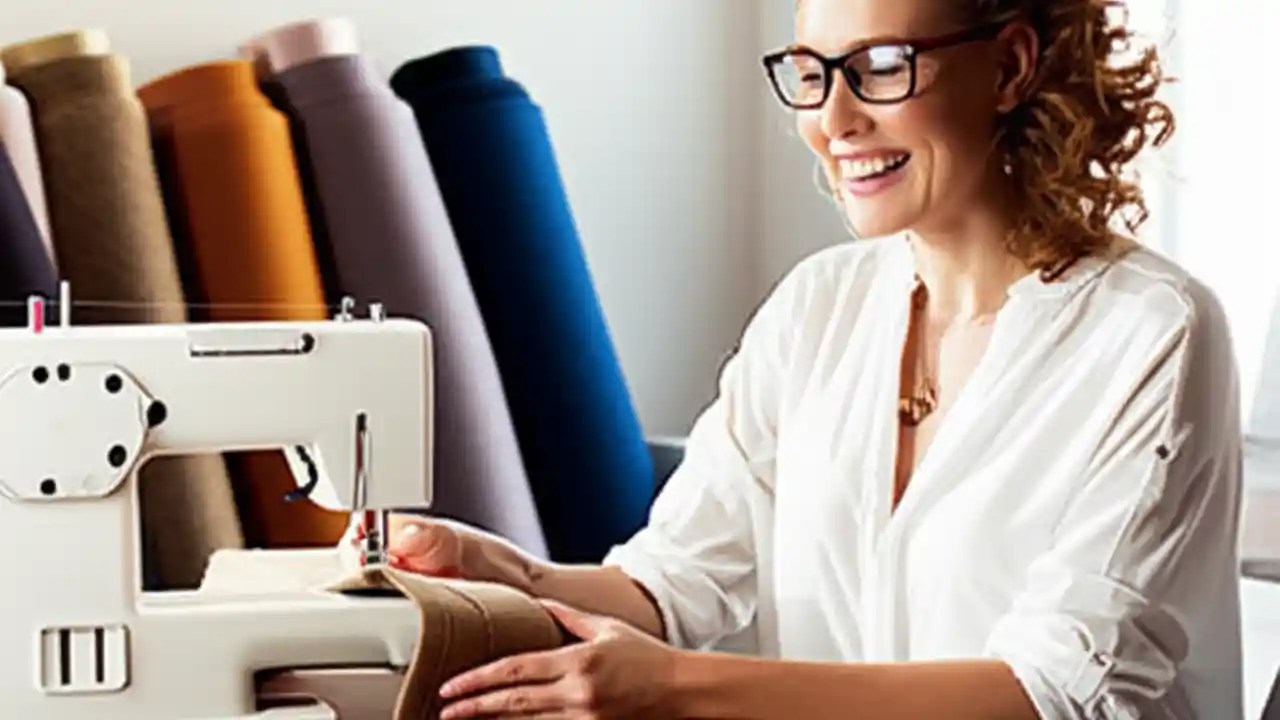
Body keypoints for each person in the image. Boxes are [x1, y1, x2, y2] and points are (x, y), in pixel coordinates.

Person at [366, 0, 1247, 717]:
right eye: (811, 73)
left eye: (882, 67)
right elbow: (676, 585)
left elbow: (1057, 691)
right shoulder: (816, 310)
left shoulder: (1152, 334)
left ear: (1011, 65)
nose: (832, 120)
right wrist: (505, 576)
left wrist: (676, 688)